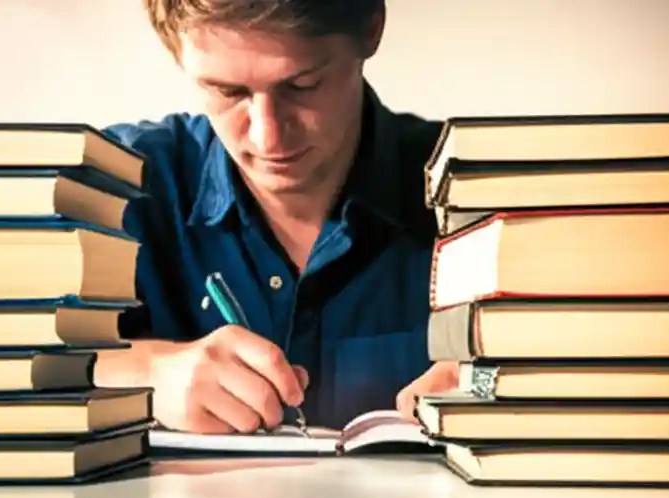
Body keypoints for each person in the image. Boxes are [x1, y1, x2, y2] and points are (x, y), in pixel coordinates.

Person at [95, 0, 457, 434]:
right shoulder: (116, 184)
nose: (268, 136)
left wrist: (511, 383)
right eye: (227, 92)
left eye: (303, 85)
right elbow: (6, 361)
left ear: (371, 28)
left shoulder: (479, 191)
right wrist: (147, 373)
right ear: (177, 52)